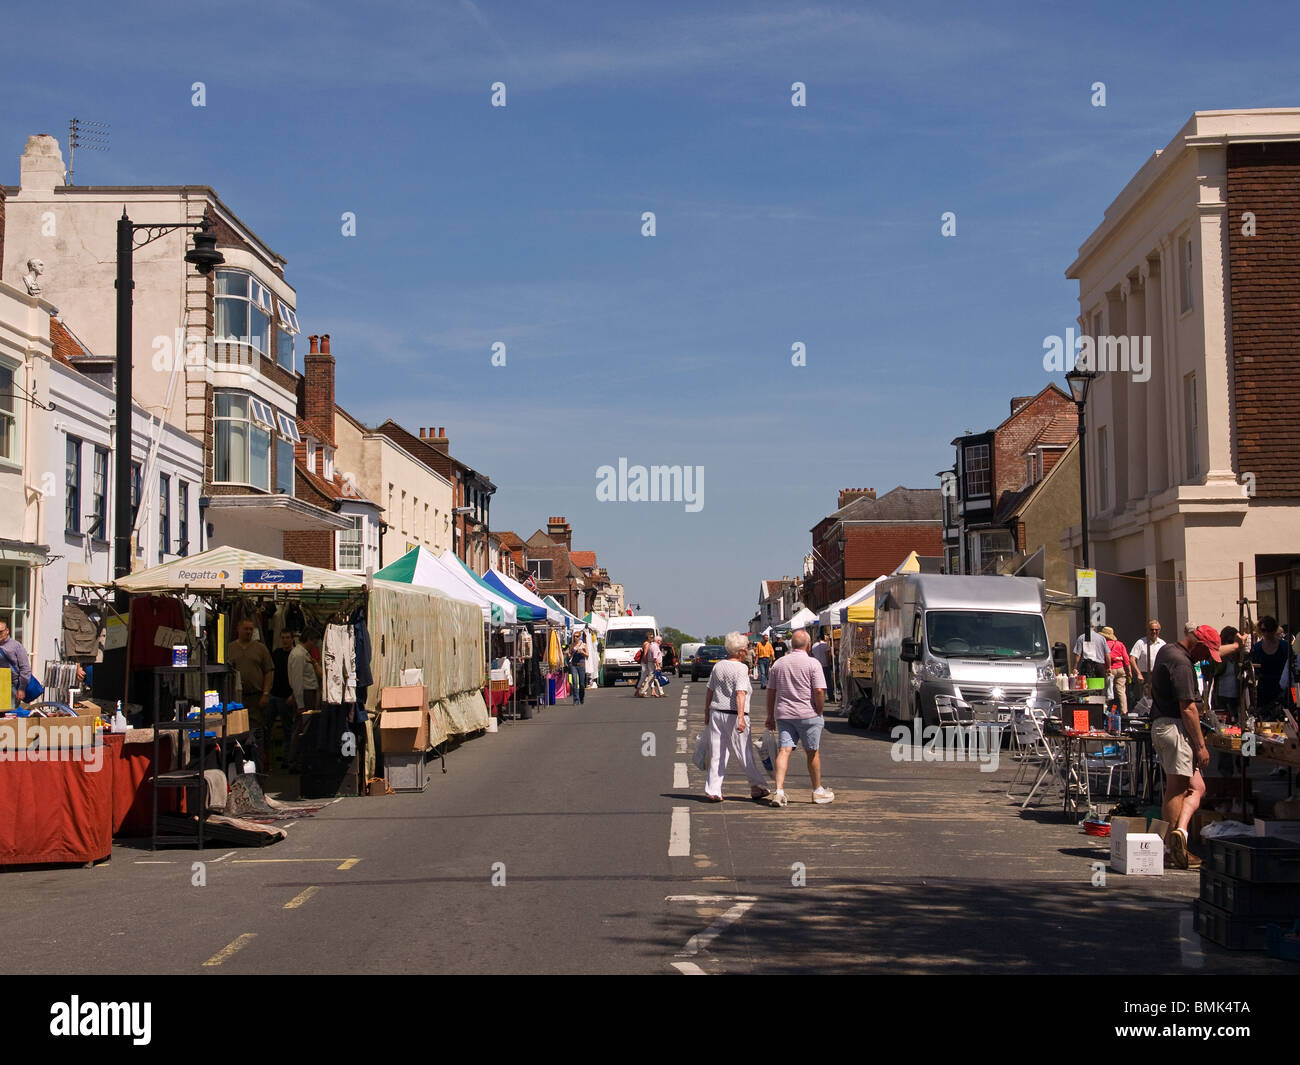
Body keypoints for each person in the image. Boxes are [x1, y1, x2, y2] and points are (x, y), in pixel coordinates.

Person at [1150, 623, 1220, 870]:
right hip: (1174, 727)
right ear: (1199, 644)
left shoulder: (1168, 650)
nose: (1206, 659)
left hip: (1166, 726)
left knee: (1197, 787)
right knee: (1177, 789)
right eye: (1207, 652)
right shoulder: (1182, 663)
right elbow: (1188, 708)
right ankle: (1169, 849)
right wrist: (1201, 746)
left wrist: (1238, 645)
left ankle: (1180, 832)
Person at [764, 629, 834, 807]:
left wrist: (769, 715)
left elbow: (771, 692)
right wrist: (819, 709)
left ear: (790, 645)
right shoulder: (813, 664)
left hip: (784, 713)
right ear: (808, 645)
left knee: (784, 750)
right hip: (808, 713)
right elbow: (819, 690)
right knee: (812, 752)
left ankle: (779, 790)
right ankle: (817, 790)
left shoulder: (779, 664)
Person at [703, 632, 770, 802]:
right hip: (734, 714)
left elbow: (710, 690)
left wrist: (706, 713)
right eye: (746, 648)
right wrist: (741, 717)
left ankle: (714, 790)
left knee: (717, 753)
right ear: (740, 651)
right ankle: (758, 785)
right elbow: (740, 693)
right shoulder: (741, 668)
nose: (748, 650)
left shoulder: (718, 666)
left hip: (717, 712)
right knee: (744, 753)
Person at [227, 618, 275, 753]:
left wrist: (266, 693)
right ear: (238, 629)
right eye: (245, 629)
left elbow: (269, 671)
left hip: (256, 698)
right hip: (236, 699)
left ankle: (257, 761)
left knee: (256, 732)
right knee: (236, 731)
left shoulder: (260, 648)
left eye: (250, 629)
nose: (248, 632)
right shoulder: (230, 648)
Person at [1251, 616, 1289, 717]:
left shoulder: (1285, 646)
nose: (1267, 633)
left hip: (1281, 689)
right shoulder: (1257, 648)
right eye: (1264, 630)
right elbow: (1253, 669)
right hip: (1263, 689)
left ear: (1275, 629)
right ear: (1260, 630)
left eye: (1270, 629)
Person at [1100, 625, 1137, 715]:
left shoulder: (1104, 644)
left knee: (1106, 690)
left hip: (1109, 670)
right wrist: (1129, 671)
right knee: (1121, 691)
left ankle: (1104, 710)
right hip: (1120, 669)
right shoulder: (1120, 644)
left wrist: (1113, 658)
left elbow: (1104, 656)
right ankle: (1124, 711)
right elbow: (1126, 658)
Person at [0, 619, 33, 708]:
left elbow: (25, 668)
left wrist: (21, 688)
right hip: (1, 683)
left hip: (12, 686)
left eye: (1, 631)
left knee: (9, 714)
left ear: (7, 631)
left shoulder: (16, 646)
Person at [1129, 619, 1166, 697]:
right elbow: (1132, 659)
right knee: (1145, 699)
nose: (1154, 632)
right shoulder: (1140, 643)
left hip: (1158, 675)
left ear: (1159, 630)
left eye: (1156, 630)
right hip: (1145, 675)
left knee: (1158, 697)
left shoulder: (1162, 643)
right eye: (1152, 629)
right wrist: (1138, 673)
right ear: (1148, 630)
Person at [810, 629, 835, 703]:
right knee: (828, 682)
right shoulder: (825, 645)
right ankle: (831, 697)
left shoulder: (814, 646)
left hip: (816, 666)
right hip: (825, 665)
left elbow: (812, 655)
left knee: (817, 682)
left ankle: (819, 697)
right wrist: (829, 663)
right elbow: (827, 655)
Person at [570, 631, 589, 705]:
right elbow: (569, 654)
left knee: (581, 684)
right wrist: (569, 653)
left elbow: (587, 655)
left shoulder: (584, 645)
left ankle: (581, 697)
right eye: (574, 636)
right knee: (575, 682)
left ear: (580, 637)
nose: (575, 638)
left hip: (581, 665)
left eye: (577, 636)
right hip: (574, 665)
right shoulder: (572, 645)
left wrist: (582, 652)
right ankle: (576, 700)